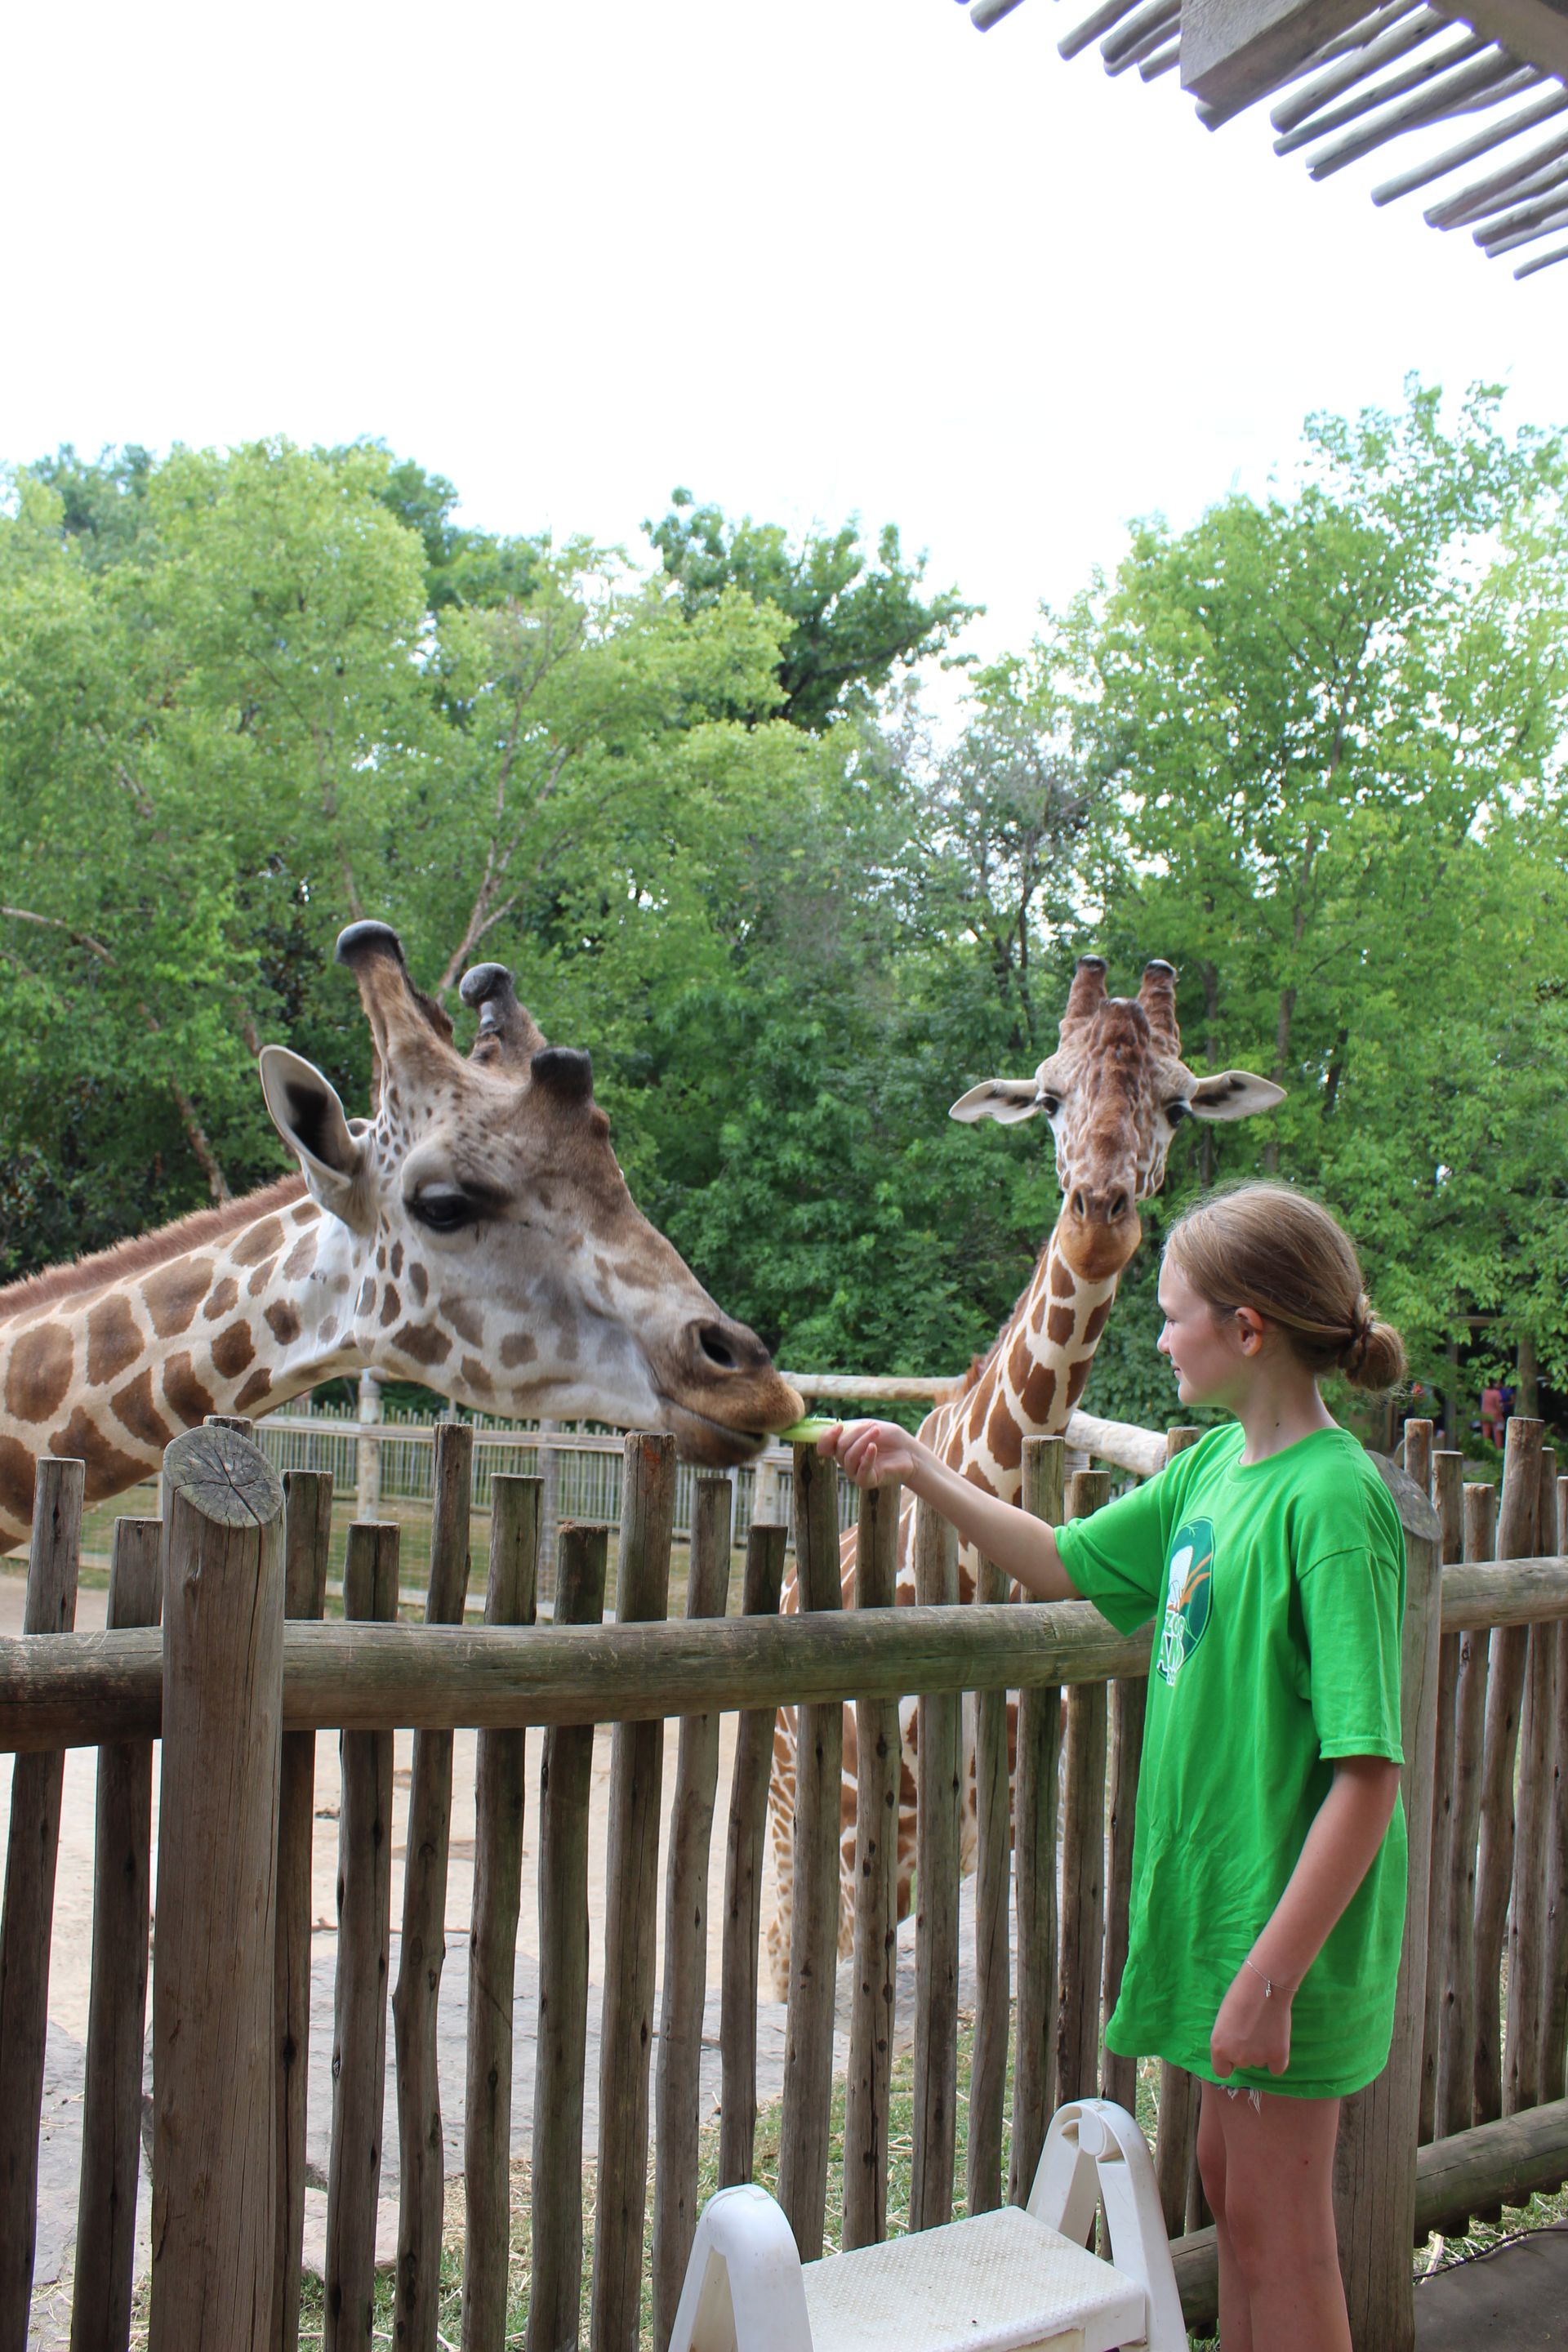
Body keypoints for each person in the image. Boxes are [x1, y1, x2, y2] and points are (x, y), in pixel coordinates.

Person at [817, 1181, 1408, 2352]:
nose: (1156, 1332)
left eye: (1175, 1311)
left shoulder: (1335, 1503)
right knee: (1233, 2207)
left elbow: (1367, 1773)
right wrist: (925, 1470)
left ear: (1249, 1330)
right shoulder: (1207, 1477)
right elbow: (1059, 1563)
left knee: (1285, 2236)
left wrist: (1272, 1981)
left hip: (1284, 1948)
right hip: (1215, 1925)